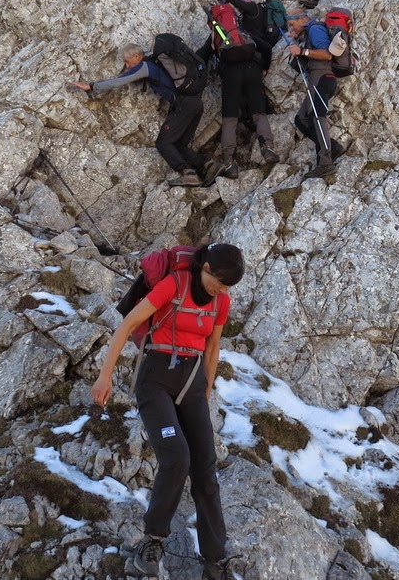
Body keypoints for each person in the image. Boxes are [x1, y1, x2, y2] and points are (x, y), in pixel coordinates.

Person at [93, 242, 246, 580]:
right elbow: (127, 324)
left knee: (205, 469)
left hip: (191, 383)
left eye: (228, 287)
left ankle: (214, 561)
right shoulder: (173, 285)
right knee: (177, 457)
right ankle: (152, 543)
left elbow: (213, 346)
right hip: (155, 380)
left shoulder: (221, 301)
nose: (223, 290)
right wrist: (105, 376)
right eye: (220, 282)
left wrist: (204, 395)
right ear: (205, 268)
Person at [71, 41, 221, 187]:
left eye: (127, 62)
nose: (127, 66)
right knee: (179, 145)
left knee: (163, 143)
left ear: (137, 56)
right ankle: (209, 164)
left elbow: (118, 82)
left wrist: (91, 86)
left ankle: (188, 174)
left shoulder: (145, 66)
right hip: (195, 103)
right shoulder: (156, 63)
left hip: (184, 105)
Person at [199, 0, 279, 179]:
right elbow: (265, 47)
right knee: (259, 115)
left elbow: (201, 57)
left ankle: (230, 164)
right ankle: (267, 148)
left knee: (230, 120)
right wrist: (264, 67)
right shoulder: (242, 31)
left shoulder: (216, 36)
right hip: (253, 71)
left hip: (231, 75)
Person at [286, 10, 346, 180]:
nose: (291, 28)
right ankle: (332, 147)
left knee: (317, 117)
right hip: (317, 80)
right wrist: (297, 41)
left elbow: (327, 54)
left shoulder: (314, 29)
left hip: (322, 78)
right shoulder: (306, 34)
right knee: (301, 119)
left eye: (292, 24)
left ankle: (325, 163)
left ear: (302, 19)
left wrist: (302, 51)